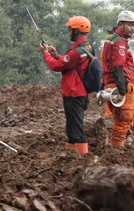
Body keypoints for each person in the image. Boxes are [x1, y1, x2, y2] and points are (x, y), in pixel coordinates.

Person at [41, 16, 95, 155]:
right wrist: (56, 54)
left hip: (74, 93)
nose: (68, 32)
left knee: (76, 129)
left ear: (77, 30)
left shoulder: (76, 52)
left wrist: (45, 53)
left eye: (70, 30)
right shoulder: (87, 47)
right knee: (72, 127)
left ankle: (82, 158)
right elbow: (69, 64)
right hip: (79, 92)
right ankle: (70, 157)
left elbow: (56, 66)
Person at [100, 10, 134, 147]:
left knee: (119, 119)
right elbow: (117, 67)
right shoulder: (119, 42)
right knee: (125, 119)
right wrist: (122, 91)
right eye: (130, 25)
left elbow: (105, 63)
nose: (133, 29)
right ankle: (116, 149)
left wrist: (103, 83)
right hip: (120, 84)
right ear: (121, 24)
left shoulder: (111, 39)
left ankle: (121, 144)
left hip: (111, 84)